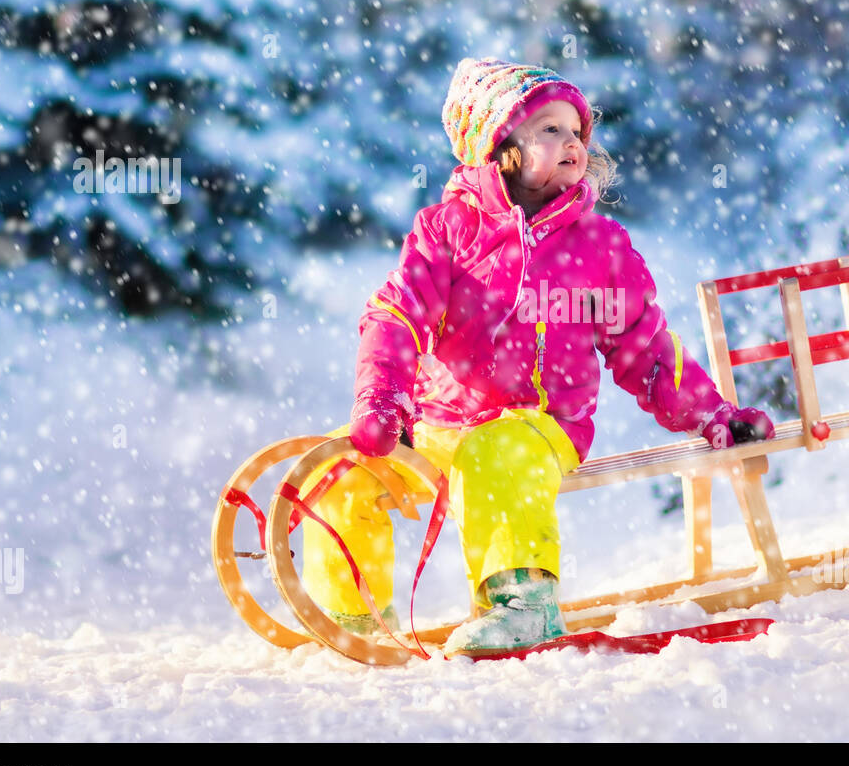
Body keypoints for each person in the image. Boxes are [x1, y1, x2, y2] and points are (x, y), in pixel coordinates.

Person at [301, 56, 775, 657]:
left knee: (498, 451)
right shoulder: (445, 232)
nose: (573, 144)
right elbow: (395, 315)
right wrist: (383, 396)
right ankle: (353, 613)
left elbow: (645, 347)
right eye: (550, 130)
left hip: (539, 425)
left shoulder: (598, 247)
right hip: (436, 423)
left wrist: (710, 412)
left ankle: (522, 605)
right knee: (338, 467)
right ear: (499, 147)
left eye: (577, 132)